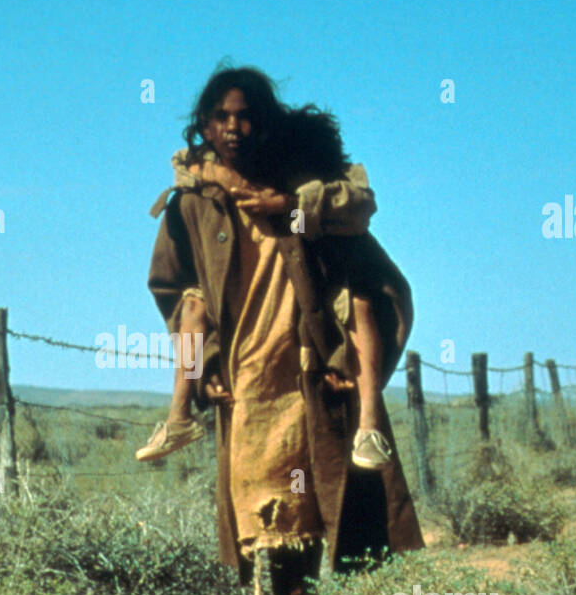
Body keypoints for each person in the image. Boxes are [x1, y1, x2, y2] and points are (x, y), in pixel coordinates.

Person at [147, 64, 424, 595]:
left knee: (301, 514)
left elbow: (359, 209)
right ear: (206, 125)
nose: (235, 127)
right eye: (222, 116)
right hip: (242, 380)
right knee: (260, 525)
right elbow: (179, 290)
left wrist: (292, 207)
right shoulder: (193, 201)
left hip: (300, 369)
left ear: (265, 120)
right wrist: (206, 366)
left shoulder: (303, 183)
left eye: (246, 115)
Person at [137, 127, 396, 471]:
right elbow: (187, 166)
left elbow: (356, 208)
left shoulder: (320, 183)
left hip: (318, 286)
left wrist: (292, 204)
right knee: (193, 308)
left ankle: (368, 424)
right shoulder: (208, 183)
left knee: (359, 306)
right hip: (240, 311)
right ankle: (179, 416)